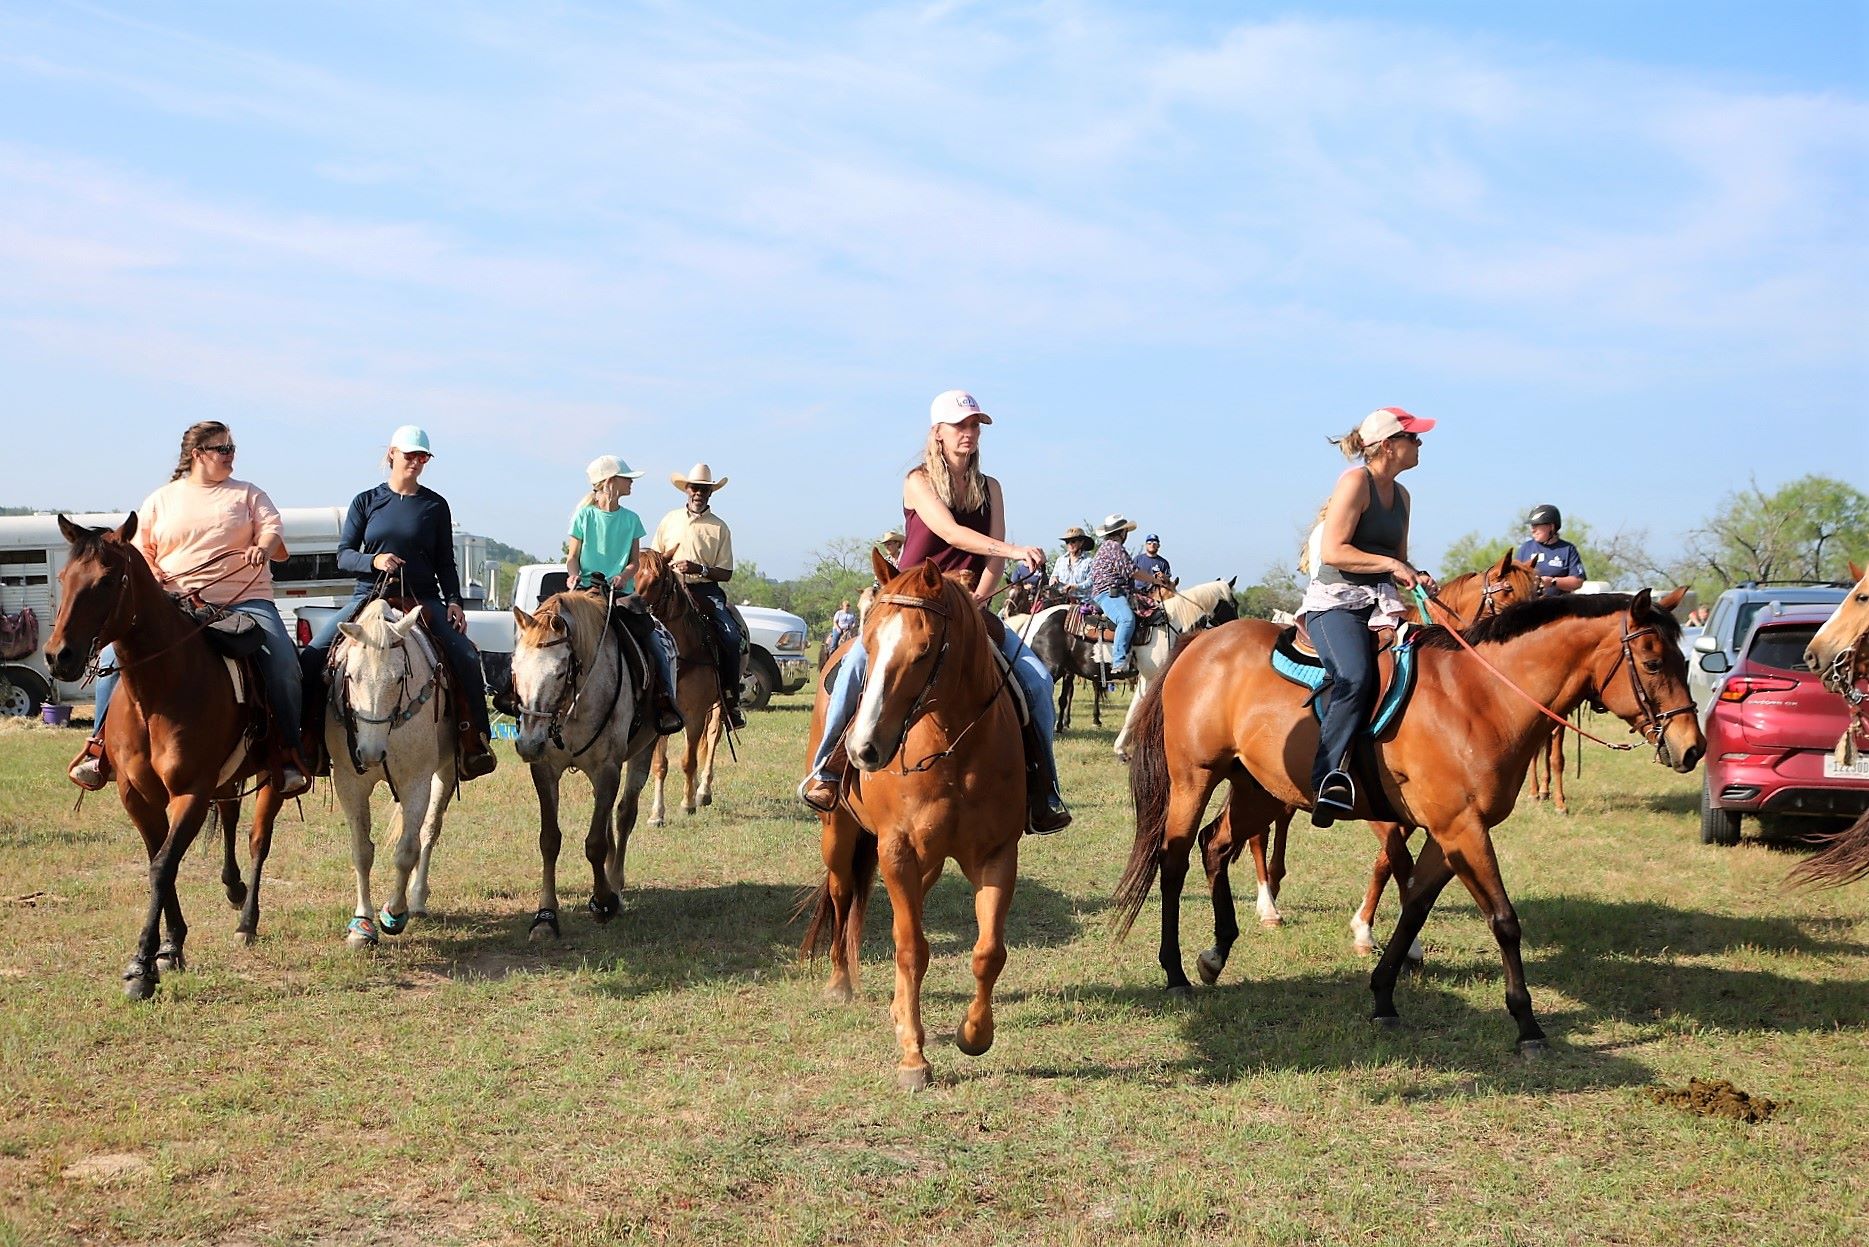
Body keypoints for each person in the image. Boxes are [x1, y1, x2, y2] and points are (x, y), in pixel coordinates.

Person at [798, 389, 1071, 834]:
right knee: (853, 668)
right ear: (938, 432)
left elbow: (990, 561)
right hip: (909, 605)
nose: (969, 433)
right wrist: (1014, 549)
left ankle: (1044, 790)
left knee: (1037, 681)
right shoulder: (917, 480)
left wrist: (979, 600)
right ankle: (828, 769)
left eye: (975, 425)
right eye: (960, 425)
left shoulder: (991, 488)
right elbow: (952, 533)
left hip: (966, 609)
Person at [69, 421, 309, 795]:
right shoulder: (160, 500)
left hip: (245, 601)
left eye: (232, 448)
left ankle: (288, 751)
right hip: (174, 603)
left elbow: (271, 531)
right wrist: (154, 577)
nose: (231, 455)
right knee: (111, 659)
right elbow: (141, 552)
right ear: (198, 454)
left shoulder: (248, 494)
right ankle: (99, 748)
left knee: (283, 664)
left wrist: (262, 547)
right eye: (223, 448)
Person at [300, 425, 497, 780]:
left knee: (466, 656)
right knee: (314, 655)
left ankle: (474, 742)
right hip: (369, 596)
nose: (416, 462)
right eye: (410, 455)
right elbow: (344, 555)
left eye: (423, 457)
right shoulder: (366, 501)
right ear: (392, 454)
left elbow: (445, 561)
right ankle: (308, 743)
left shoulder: (435, 505)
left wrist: (454, 601)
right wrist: (374, 560)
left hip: (421, 598)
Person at [1298, 406, 1438, 827]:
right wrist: (1393, 566)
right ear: (1388, 445)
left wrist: (1414, 574)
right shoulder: (1355, 482)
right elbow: (1334, 551)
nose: (1420, 443)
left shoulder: (1403, 497)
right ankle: (1326, 778)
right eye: (1413, 437)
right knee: (1355, 678)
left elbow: (1397, 559)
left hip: (1381, 604)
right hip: (1334, 604)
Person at [566, 454, 684, 736]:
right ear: (610, 482)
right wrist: (572, 574)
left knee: (653, 639)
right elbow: (572, 557)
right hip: (586, 592)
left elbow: (634, 562)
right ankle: (528, 699)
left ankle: (664, 700)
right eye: (626, 478)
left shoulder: (632, 519)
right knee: (552, 633)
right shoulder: (584, 516)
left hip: (621, 595)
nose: (631, 483)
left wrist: (624, 576)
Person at [650, 462, 747, 731]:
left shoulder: (719, 527)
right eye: (695, 488)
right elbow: (655, 559)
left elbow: (726, 572)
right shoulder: (669, 520)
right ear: (687, 489)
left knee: (731, 635)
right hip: (670, 590)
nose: (698, 493)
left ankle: (729, 700)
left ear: (711, 492)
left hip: (705, 590)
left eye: (704, 489)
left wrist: (699, 569)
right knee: (642, 630)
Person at [1089, 513, 1141, 676]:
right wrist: (1156, 580)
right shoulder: (1114, 546)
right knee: (1126, 619)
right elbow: (1132, 572)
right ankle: (1118, 662)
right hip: (1109, 594)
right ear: (1122, 532)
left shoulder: (1106, 547)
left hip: (1112, 592)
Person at [1516, 504, 1586, 597]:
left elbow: (1578, 581)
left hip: (1559, 604)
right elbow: (1514, 578)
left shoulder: (1568, 549)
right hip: (1531, 603)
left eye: (1536, 525)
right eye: (1532, 526)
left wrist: (1552, 582)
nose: (1533, 530)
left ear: (1551, 526)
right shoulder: (1525, 548)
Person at [1054, 527, 1094, 600]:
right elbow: (1054, 576)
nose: (1070, 544)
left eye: (1073, 541)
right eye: (1067, 542)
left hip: (1083, 601)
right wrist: (1053, 579)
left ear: (1081, 542)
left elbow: (1091, 582)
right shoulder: (1060, 561)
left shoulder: (1089, 561)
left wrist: (1076, 586)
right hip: (1062, 599)